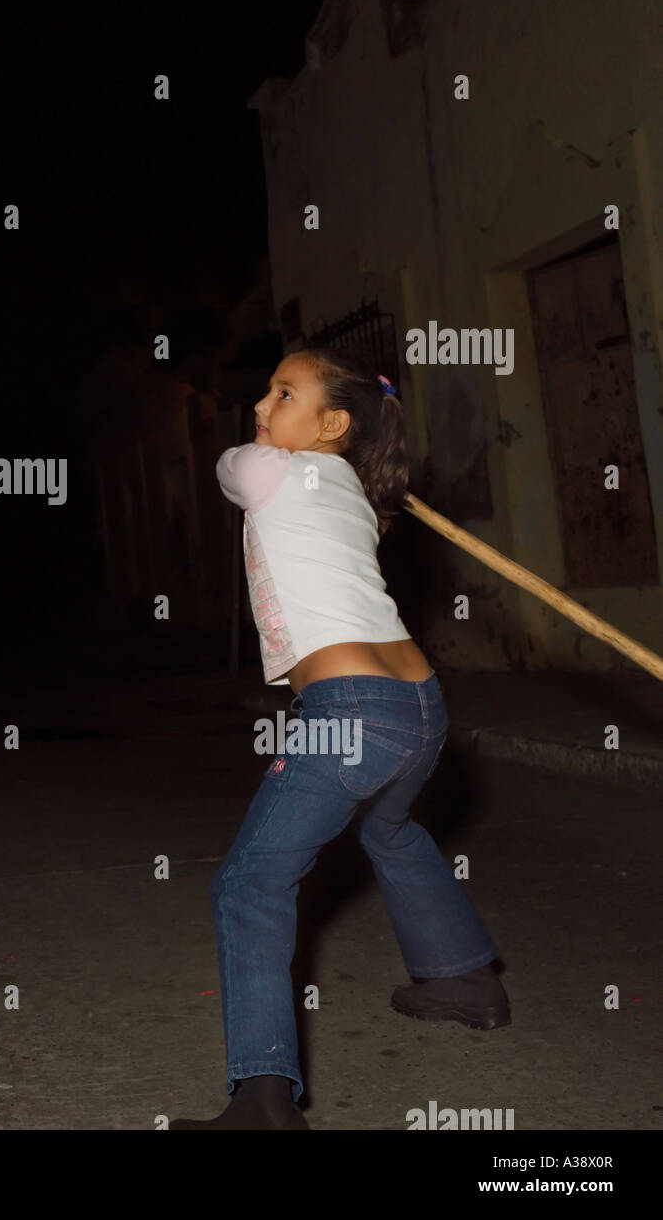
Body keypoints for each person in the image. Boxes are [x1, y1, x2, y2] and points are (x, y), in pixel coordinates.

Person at [172, 343, 508, 1130]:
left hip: (352, 710)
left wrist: (270, 447)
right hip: (421, 706)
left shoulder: (271, 470)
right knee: (389, 829)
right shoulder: (354, 489)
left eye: (282, 394)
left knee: (250, 884)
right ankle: (463, 977)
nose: (260, 407)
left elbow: (231, 468)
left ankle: (262, 1098)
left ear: (332, 423)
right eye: (264, 392)